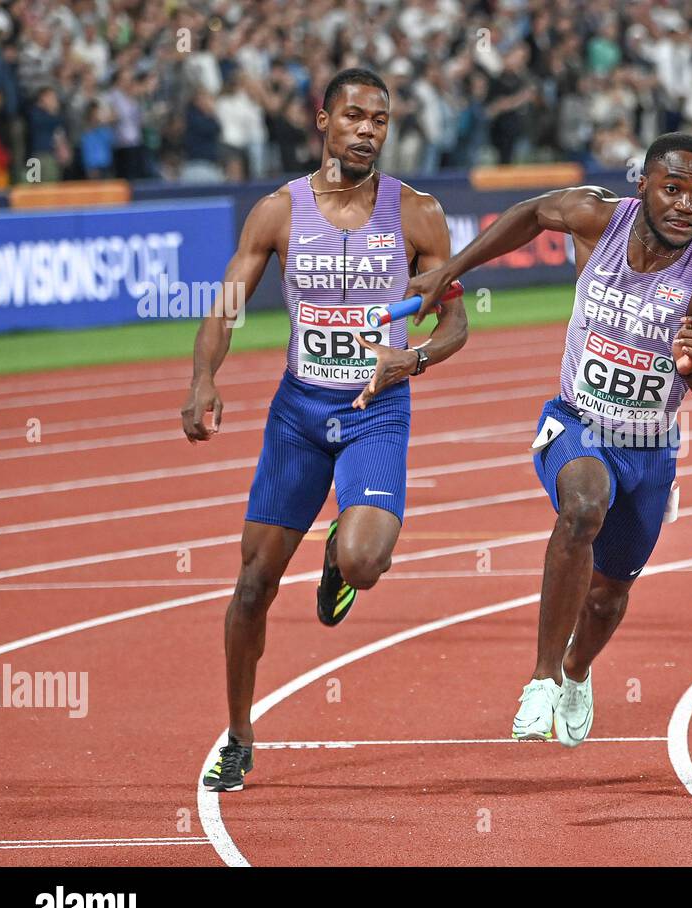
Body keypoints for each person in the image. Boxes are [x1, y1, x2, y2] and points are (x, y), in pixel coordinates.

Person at [408, 133, 692, 746]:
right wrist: (450, 272)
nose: (685, 206)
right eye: (672, 189)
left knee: (609, 596)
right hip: (575, 422)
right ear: (641, 184)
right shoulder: (597, 219)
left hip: (650, 448)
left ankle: (574, 670)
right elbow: (529, 213)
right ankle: (540, 680)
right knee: (582, 509)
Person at [183, 68, 469, 791]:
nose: (368, 129)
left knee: (368, 560)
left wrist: (419, 356)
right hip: (299, 416)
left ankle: (341, 558)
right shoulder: (278, 211)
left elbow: (456, 320)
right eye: (353, 117)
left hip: (376, 409)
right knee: (253, 586)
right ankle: (240, 736)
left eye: (379, 118)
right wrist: (203, 379)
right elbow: (225, 305)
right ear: (323, 122)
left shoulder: (420, 214)